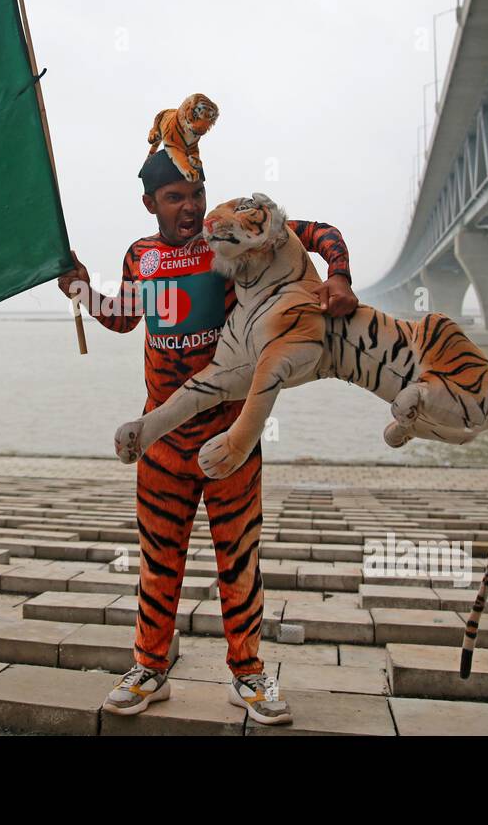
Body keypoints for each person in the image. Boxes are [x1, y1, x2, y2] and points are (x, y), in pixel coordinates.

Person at [57, 93, 356, 726]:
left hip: (231, 438)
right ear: (150, 205)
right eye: (176, 197)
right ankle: (149, 667)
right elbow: (121, 318)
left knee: (238, 559)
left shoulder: (233, 236)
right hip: (162, 444)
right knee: (158, 562)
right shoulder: (141, 255)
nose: (190, 207)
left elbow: (317, 232)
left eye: (195, 191)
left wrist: (338, 277)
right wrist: (80, 286)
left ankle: (247, 674)